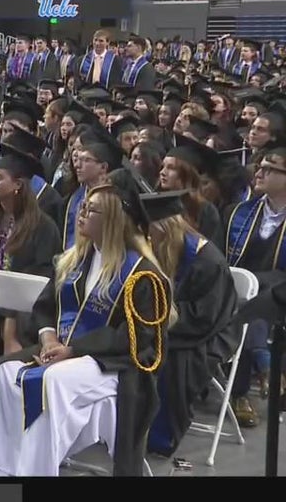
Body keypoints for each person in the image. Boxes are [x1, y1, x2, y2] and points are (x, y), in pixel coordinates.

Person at [0, 182, 172, 477]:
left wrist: (72, 350)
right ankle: (3, 471)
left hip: (116, 364)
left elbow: (135, 338)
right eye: (83, 206)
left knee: (48, 382)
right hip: (64, 351)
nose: (81, 213)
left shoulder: (143, 274)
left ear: (112, 220)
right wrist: (48, 338)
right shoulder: (76, 260)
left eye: (91, 210)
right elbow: (45, 307)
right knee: (4, 372)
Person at [141, 190, 236, 456]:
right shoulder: (163, 250)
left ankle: (160, 435)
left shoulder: (208, 261)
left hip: (210, 332)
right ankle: (127, 423)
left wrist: (158, 315)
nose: (147, 238)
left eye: (151, 232)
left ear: (165, 229)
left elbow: (205, 316)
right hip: (170, 323)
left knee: (170, 358)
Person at [0, 140, 60, 361]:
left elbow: (43, 277)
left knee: (11, 313)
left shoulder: (42, 226)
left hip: (21, 301)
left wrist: (4, 281)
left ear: (17, 185)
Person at [219, 147, 286, 427]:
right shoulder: (238, 212)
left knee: (256, 297)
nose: (258, 172)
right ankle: (267, 367)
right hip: (241, 289)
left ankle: (240, 393)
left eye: (269, 168)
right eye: (260, 166)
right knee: (248, 300)